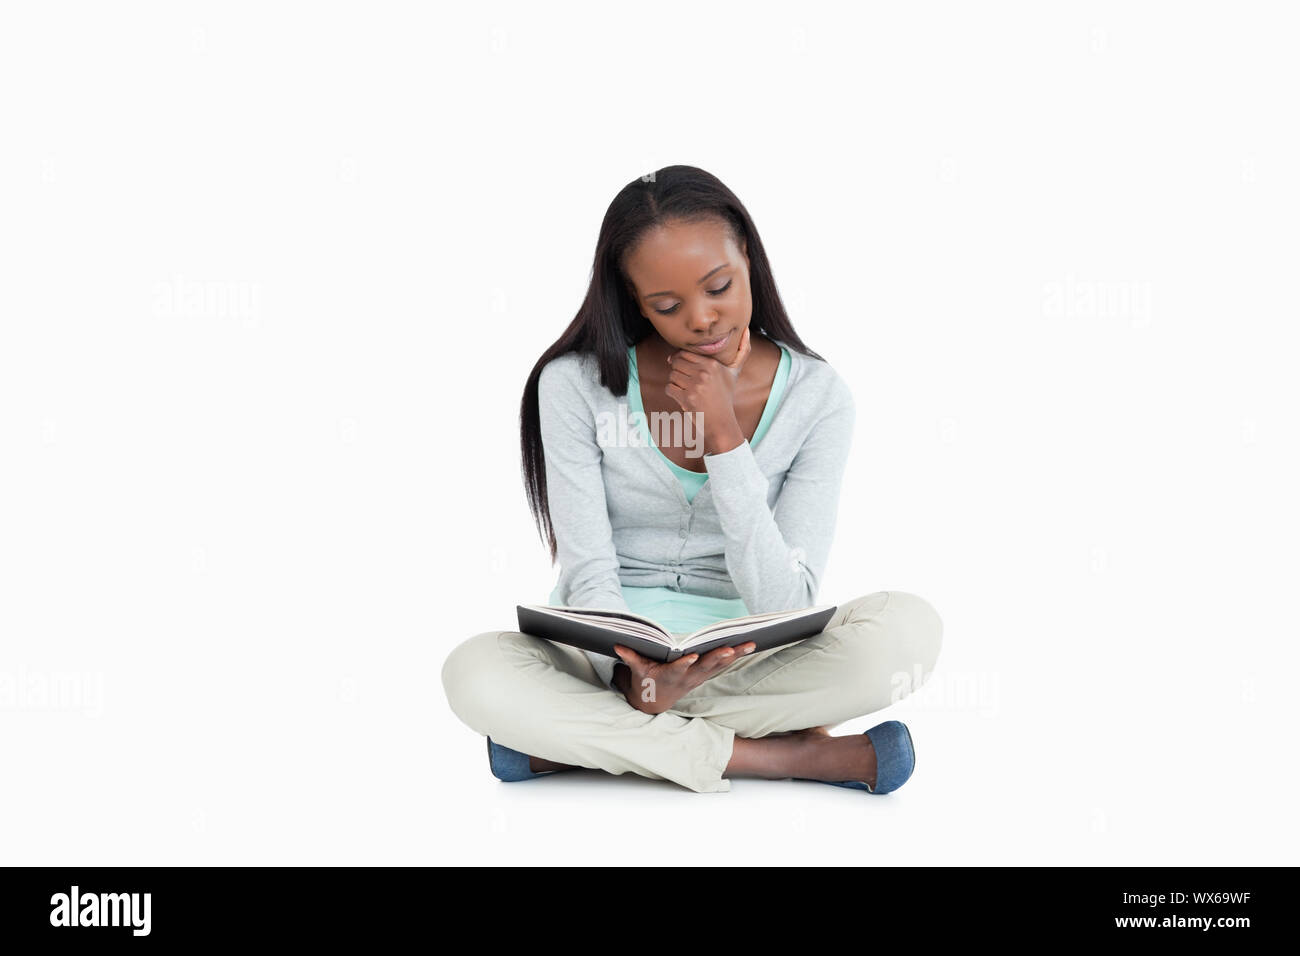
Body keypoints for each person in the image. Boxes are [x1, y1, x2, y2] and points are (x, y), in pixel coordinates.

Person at [441, 165, 943, 794]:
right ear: (634, 301)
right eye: (669, 306)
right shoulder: (572, 385)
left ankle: (580, 744)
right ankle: (788, 757)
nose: (703, 319)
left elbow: (785, 602)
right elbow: (588, 572)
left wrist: (725, 438)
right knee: (474, 672)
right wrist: (636, 683)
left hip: (748, 665)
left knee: (911, 631)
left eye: (719, 287)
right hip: (603, 664)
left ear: (750, 263)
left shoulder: (819, 397)